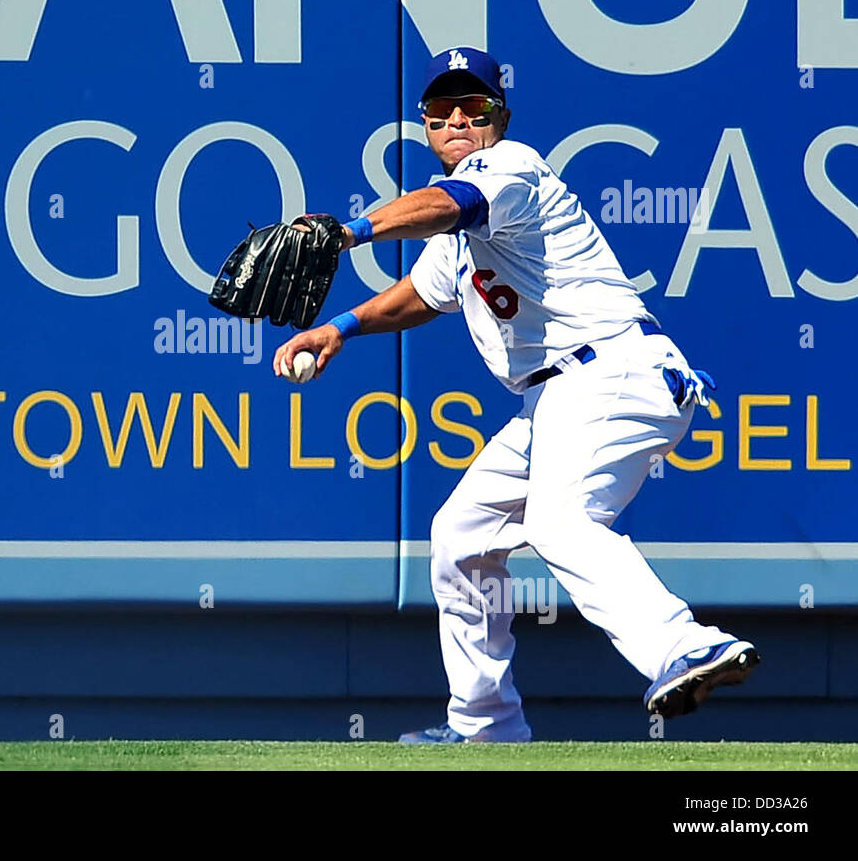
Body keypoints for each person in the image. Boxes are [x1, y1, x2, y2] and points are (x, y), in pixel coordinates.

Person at [273, 46, 759, 743]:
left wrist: (350, 231)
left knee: (562, 522)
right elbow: (424, 292)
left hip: (606, 370)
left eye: (476, 106)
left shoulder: (508, 167)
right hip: (561, 395)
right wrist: (341, 327)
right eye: (443, 109)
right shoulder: (456, 233)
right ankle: (484, 725)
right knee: (460, 536)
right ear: (425, 125)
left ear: (500, 117)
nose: (460, 119)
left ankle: (683, 644)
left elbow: (450, 202)